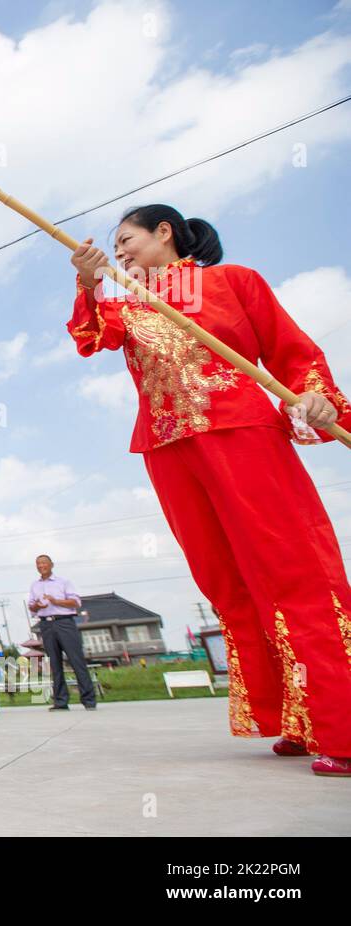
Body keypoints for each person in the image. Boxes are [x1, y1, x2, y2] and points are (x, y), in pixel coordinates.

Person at [69, 204, 351, 776]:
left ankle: (342, 722)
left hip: (240, 432)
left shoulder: (232, 282)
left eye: (126, 240)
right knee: (228, 580)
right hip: (167, 446)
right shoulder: (128, 301)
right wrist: (88, 279)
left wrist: (312, 397)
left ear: (164, 233)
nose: (119, 250)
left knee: (291, 567)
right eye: (114, 245)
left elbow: (292, 353)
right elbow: (93, 337)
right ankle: (301, 718)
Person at [28, 555, 96, 711]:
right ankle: (60, 701)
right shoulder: (35, 585)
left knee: (76, 660)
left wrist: (56, 601)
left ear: (51, 564)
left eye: (44, 563)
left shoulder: (63, 582)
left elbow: (76, 602)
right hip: (46, 623)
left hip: (64, 622)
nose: (41, 566)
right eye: (38, 564)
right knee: (55, 663)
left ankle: (89, 700)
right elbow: (31, 606)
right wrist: (38, 606)